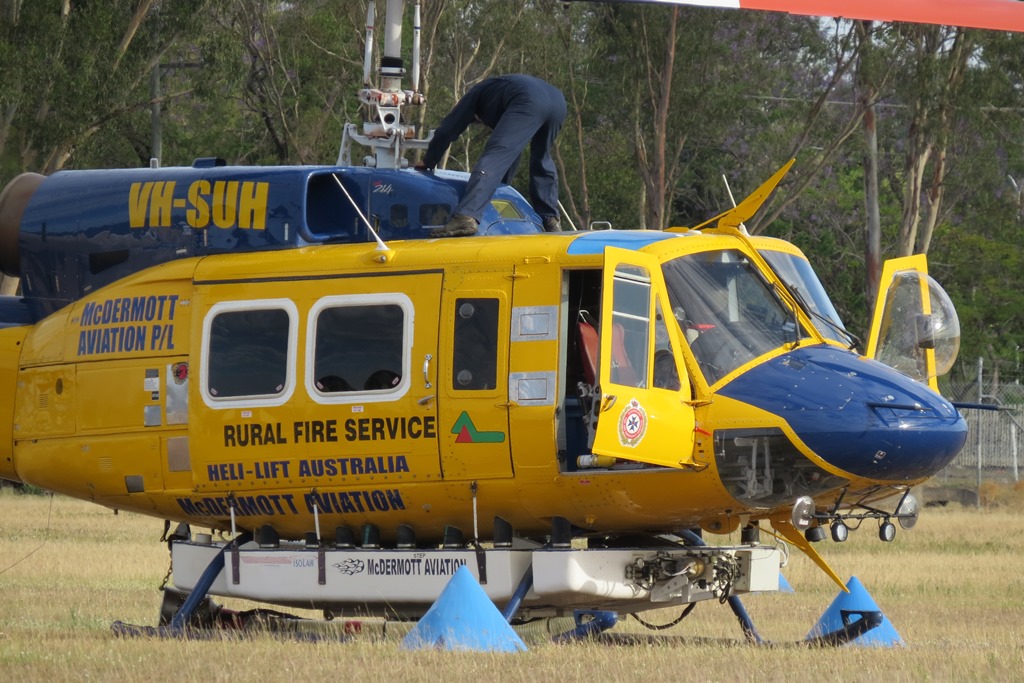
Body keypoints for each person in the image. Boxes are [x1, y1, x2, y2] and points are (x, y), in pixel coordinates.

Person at [416, 74, 566, 237]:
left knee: (496, 153)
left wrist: (428, 161)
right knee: (541, 158)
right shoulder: (499, 94)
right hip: (558, 102)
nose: (482, 124)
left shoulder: (474, 96)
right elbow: (510, 154)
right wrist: (498, 188)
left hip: (529, 98)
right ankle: (550, 219)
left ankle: (466, 216)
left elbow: (447, 131)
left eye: (478, 121)